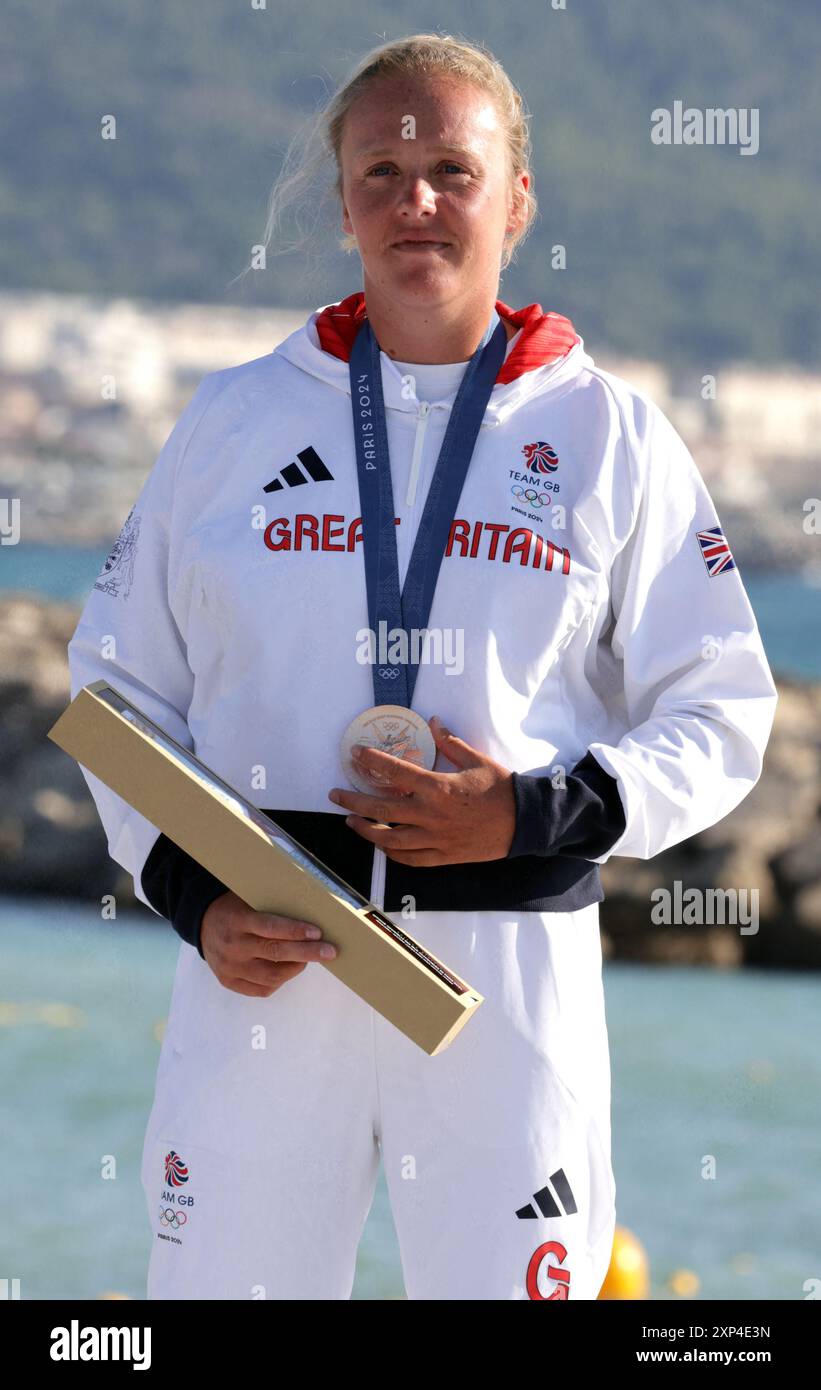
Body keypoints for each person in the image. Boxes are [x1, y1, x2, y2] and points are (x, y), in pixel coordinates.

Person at [67, 33, 777, 1301]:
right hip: (265, 960)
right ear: (341, 202)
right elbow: (120, 693)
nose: (417, 200)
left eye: (453, 167)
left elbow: (720, 708)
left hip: (503, 985)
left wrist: (535, 808)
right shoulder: (234, 420)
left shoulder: (607, 432)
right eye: (380, 169)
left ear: (519, 198)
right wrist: (188, 891)